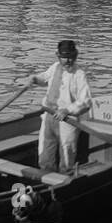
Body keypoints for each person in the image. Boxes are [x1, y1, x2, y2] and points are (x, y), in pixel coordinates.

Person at [18, 40, 93, 172]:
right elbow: (45, 78)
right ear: (58, 56)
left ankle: (65, 176)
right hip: (49, 115)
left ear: (75, 56)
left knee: (67, 152)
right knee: (45, 152)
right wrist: (35, 78)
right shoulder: (55, 67)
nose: (68, 61)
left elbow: (86, 101)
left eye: (70, 57)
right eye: (64, 57)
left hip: (67, 119)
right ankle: (46, 176)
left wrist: (67, 110)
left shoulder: (79, 74)